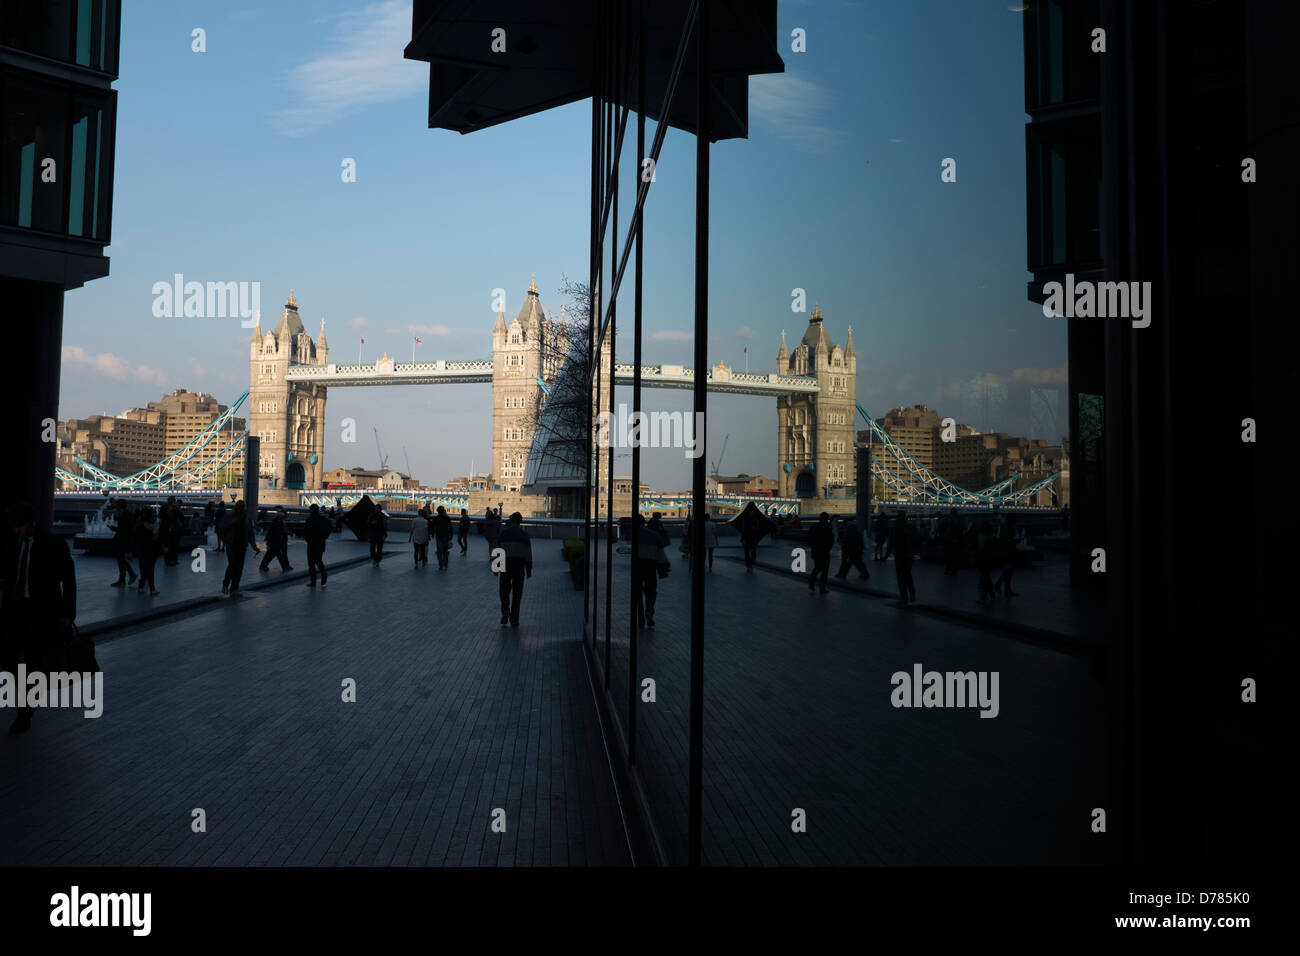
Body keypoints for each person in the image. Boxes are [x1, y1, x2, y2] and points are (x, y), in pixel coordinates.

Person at [2, 502, 78, 734]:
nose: (18, 531)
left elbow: (69, 580)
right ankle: (26, 692)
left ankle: (25, 712)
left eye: (21, 526)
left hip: (41, 613)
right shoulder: (13, 542)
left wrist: (67, 613)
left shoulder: (54, 545)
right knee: (8, 659)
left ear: (32, 522)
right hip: (15, 609)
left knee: (34, 663)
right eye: (14, 526)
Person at [495, 512, 533, 626]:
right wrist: (529, 569)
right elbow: (528, 553)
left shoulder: (503, 533)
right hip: (519, 565)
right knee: (517, 593)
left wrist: (496, 568)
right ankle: (514, 619)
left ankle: (506, 610)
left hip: (506, 564)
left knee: (504, 590)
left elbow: (498, 550)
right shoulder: (524, 535)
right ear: (520, 521)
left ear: (511, 521)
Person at [633, 515, 667, 628]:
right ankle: (649, 611)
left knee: (637, 593)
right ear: (644, 522)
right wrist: (663, 568)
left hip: (638, 566)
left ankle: (641, 617)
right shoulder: (655, 535)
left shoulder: (634, 535)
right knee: (651, 591)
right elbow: (661, 554)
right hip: (651, 566)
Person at [221, 500, 257, 596]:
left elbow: (250, 533)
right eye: (240, 506)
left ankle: (234, 587)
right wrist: (225, 540)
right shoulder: (230, 516)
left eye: (242, 506)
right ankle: (226, 584)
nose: (241, 508)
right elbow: (223, 528)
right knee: (232, 565)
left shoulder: (246, 518)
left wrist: (254, 546)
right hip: (231, 545)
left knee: (239, 568)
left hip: (241, 545)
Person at [133, 506, 161, 596]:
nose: (154, 518)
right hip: (145, 549)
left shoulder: (155, 525)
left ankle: (142, 586)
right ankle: (151, 588)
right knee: (149, 569)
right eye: (153, 516)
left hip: (153, 550)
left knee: (147, 570)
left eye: (155, 516)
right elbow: (139, 539)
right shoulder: (141, 527)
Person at [891, 511, 917, 606]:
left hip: (900, 555)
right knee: (907, 575)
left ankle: (904, 597)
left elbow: (893, 541)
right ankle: (912, 594)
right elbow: (916, 539)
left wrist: (887, 554)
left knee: (901, 577)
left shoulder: (896, 527)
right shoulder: (910, 527)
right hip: (908, 555)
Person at [110, 499, 137, 587]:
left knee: (121, 559)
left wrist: (114, 528)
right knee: (120, 559)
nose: (116, 507)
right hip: (121, 539)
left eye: (117, 505)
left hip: (124, 540)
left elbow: (126, 529)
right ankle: (122, 580)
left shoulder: (127, 514)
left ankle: (131, 575)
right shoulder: (123, 513)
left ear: (120, 505)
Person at [303, 503, 332, 587]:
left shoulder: (309, 519)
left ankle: (313, 581)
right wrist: (324, 537)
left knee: (311, 563)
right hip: (321, 544)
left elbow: (306, 532)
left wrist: (308, 539)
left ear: (311, 510)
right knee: (319, 561)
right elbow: (330, 528)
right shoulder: (323, 519)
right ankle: (324, 575)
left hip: (312, 544)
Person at [993, 513, 1020, 597]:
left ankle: (1007, 589)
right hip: (1009, 551)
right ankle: (999, 584)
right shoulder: (1009, 528)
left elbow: (999, 538)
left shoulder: (1002, 526)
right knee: (1009, 570)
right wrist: (1016, 541)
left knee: (1008, 570)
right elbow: (1010, 539)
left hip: (1004, 550)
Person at [259, 507, 292, 572]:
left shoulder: (278, 523)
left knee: (275, 555)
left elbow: (272, 533)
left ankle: (285, 566)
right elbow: (273, 533)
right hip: (277, 542)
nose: (283, 518)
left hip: (279, 542)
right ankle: (285, 567)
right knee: (276, 555)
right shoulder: (277, 523)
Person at [808, 513, 833, 593]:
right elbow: (831, 539)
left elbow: (810, 538)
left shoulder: (814, 527)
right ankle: (822, 587)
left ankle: (812, 579)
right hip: (824, 551)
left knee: (817, 567)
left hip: (816, 551)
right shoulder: (827, 527)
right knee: (824, 570)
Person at [975, 519, 998, 604]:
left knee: (985, 577)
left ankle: (983, 597)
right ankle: (992, 595)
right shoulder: (991, 536)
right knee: (986, 577)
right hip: (987, 558)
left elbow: (980, 547)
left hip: (984, 558)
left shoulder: (983, 536)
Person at [941, 508, 964, 576]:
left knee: (948, 556)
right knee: (954, 556)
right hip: (955, 540)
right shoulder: (959, 520)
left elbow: (942, 526)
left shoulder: (947, 519)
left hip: (949, 540)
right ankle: (953, 570)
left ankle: (948, 569)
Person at [432, 505, 454, 570]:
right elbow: (450, 527)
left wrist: (432, 534)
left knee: (439, 551)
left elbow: (433, 527)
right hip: (446, 535)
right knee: (445, 550)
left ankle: (440, 564)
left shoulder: (436, 518)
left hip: (439, 535)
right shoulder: (447, 518)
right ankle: (446, 563)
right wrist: (451, 535)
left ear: (438, 511)